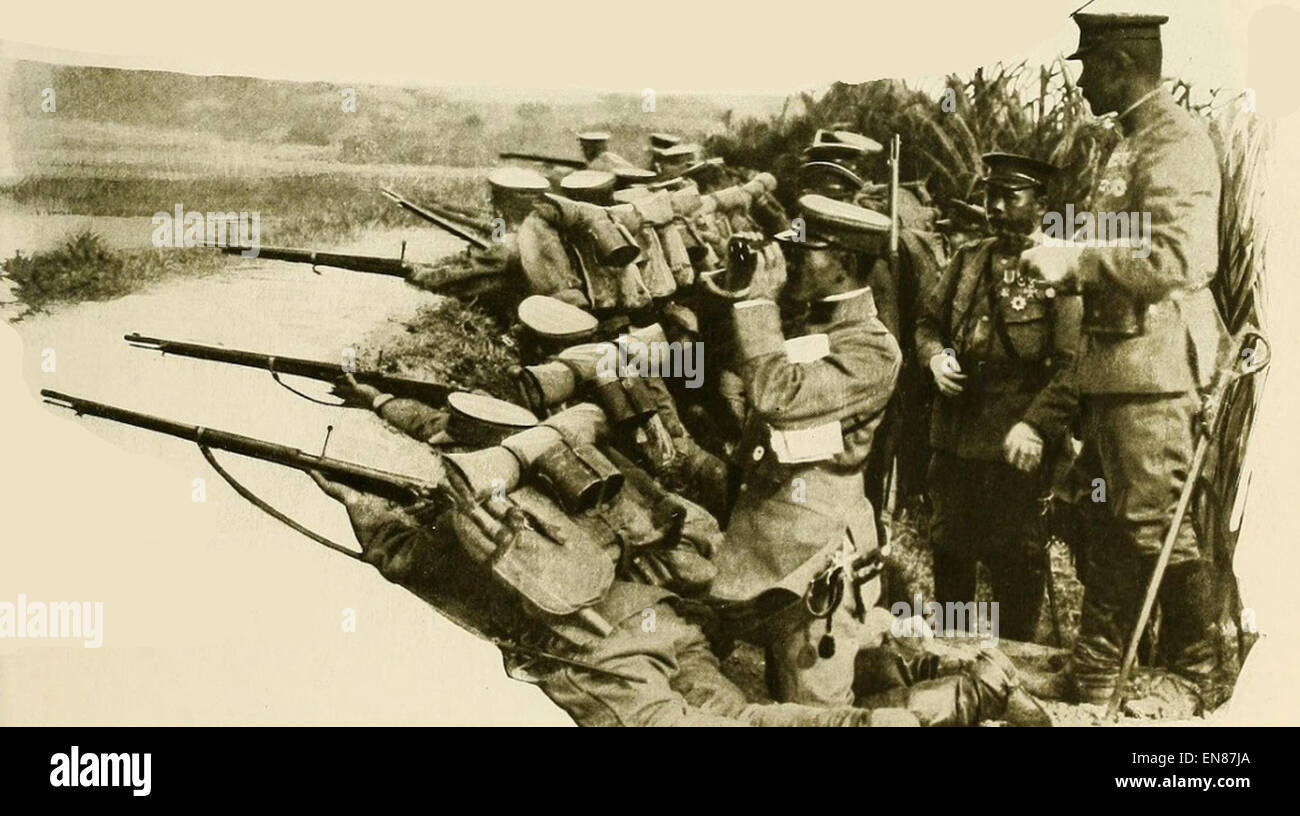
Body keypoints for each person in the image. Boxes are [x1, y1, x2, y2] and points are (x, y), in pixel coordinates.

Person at [310, 402, 916, 727]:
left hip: (597, 651)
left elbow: (409, 558)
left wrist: (359, 505)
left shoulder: (477, 521)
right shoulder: (591, 477)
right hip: (668, 624)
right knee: (731, 712)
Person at [1019, 12, 1229, 712]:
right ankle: (1098, 672)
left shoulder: (1176, 142)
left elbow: (1180, 257)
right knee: (1112, 520)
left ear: (1119, 62)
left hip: (1158, 373)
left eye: (1088, 65)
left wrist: (1074, 259)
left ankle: (1198, 671)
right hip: (1119, 371)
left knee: (1160, 525)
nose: (1079, 79)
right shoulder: (1129, 144)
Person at [914, 152, 1082, 642]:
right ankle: (952, 659)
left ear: (1041, 204)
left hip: (1016, 442)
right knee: (949, 550)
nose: (996, 207)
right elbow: (928, 322)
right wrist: (935, 357)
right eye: (990, 195)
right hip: (957, 435)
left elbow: (1074, 366)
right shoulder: (968, 260)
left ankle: (1011, 667)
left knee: (1015, 557)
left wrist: (1037, 426)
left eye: (1010, 196)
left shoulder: (1060, 268)